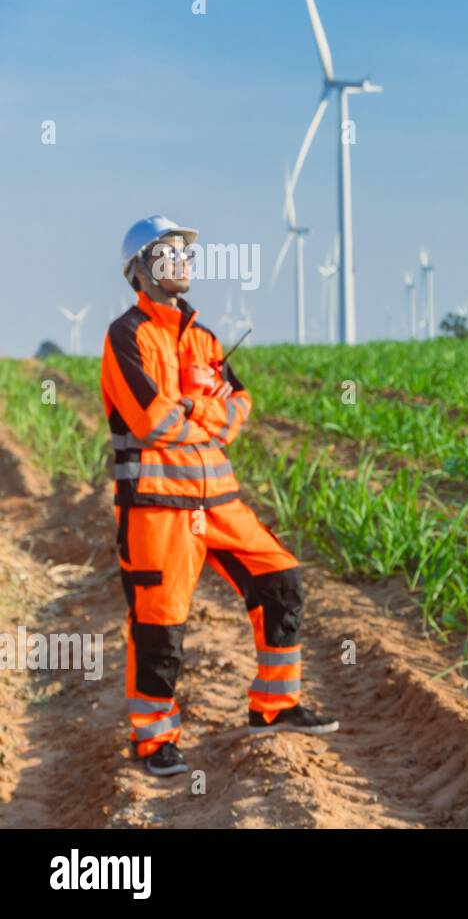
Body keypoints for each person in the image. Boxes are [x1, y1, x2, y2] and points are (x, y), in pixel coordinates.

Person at [101, 215, 338, 778]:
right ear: (140, 269)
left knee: (282, 580)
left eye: (185, 253)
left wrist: (196, 409)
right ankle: (154, 739)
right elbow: (153, 420)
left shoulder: (205, 339)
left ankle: (274, 708)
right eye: (168, 253)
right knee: (160, 624)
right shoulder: (126, 335)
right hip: (158, 506)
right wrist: (200, 409)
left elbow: (239, 411)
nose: (181, 261)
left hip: (219, 501)